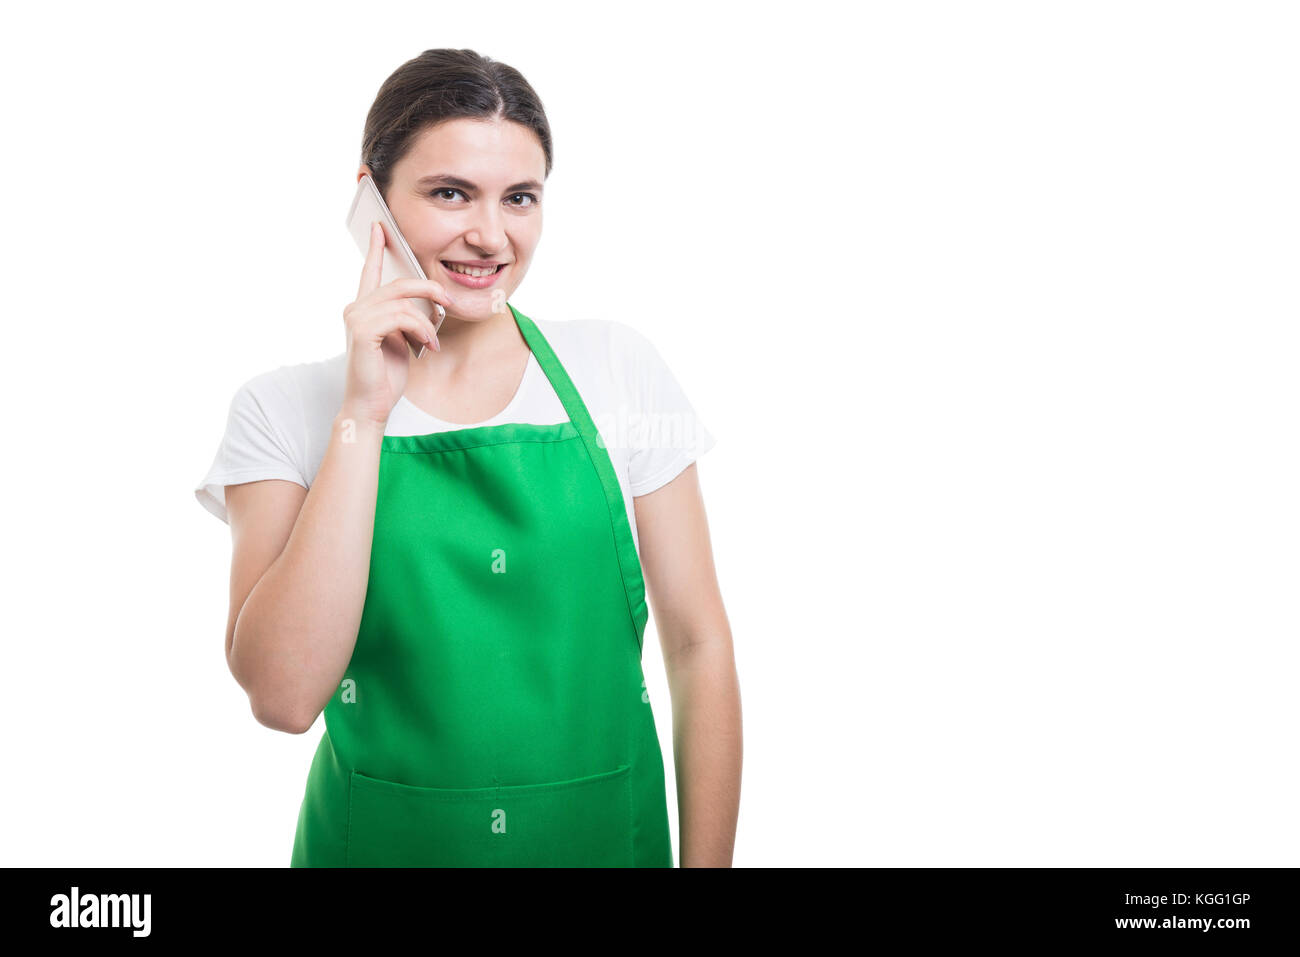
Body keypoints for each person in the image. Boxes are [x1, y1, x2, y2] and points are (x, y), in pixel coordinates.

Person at [193, 49, 741, 867]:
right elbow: (282, 695)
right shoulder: (282, 411)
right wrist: (363, 414)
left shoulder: (618, 370)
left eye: (519, 197)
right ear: (370, 196)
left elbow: (699, 645)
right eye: (451, 193)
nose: (491, 235)